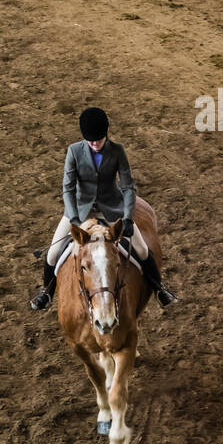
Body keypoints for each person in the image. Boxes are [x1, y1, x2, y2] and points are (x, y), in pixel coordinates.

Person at [30, 107, 177, 311]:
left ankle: (160, 289)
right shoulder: (74, 151)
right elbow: (68, 188)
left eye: (98, 140)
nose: (94, 144)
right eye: (90, 140)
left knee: (142, 250)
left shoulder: (117, 151)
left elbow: (127, 187)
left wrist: (126, 217)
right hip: (81, 211)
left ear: (106, 133)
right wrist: (73, 218)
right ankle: (46, 293)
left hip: (111, 208)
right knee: (53, 253)